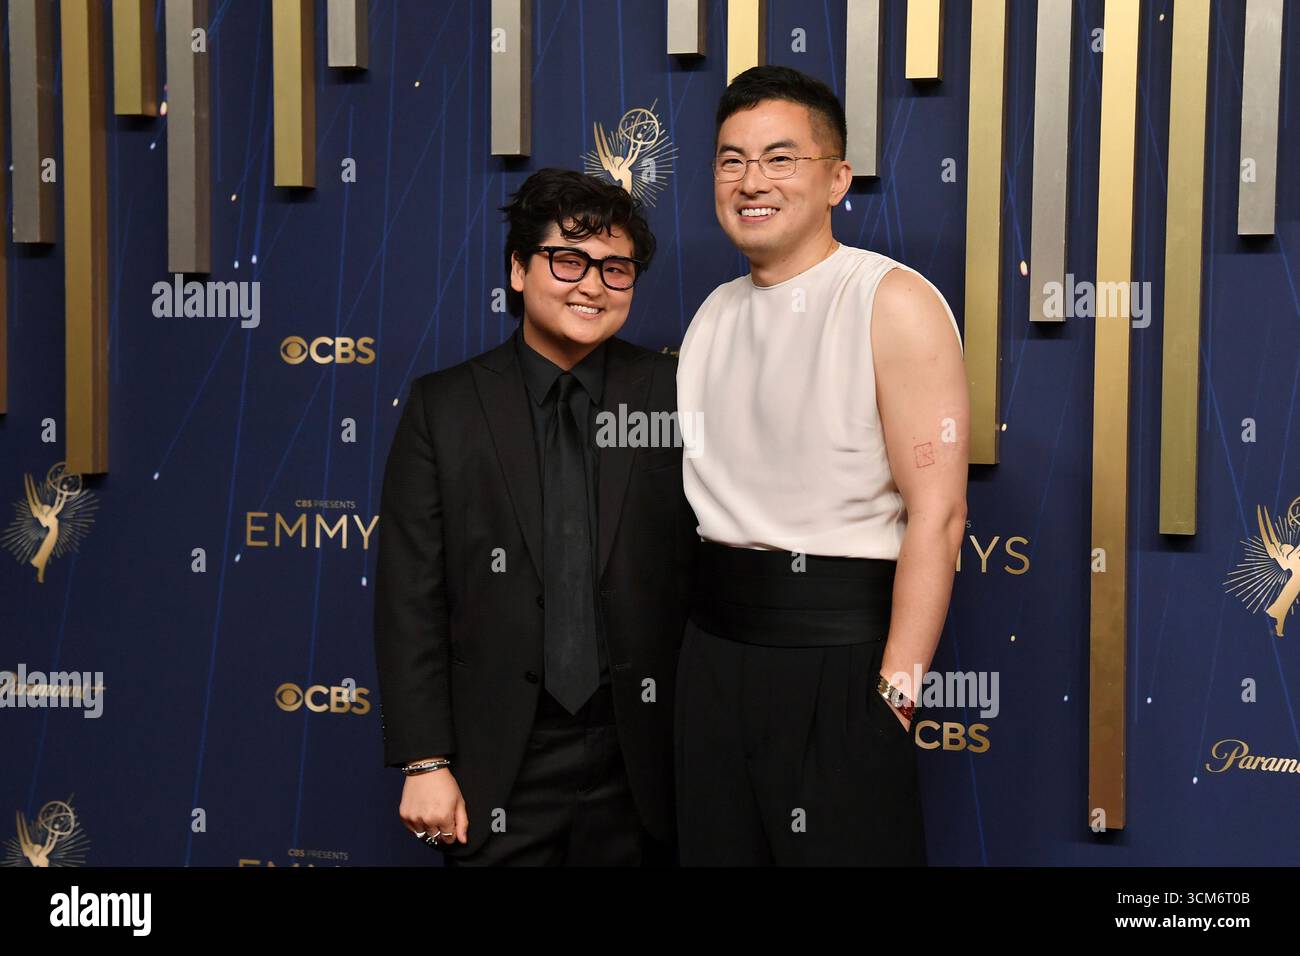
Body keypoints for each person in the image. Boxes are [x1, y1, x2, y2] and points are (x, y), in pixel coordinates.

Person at [675, 65, 969, 865]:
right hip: (712, 656)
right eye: (730, 160)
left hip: (842, 667)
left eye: (779, 158)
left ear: (837, 177)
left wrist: (892, 702)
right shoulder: (711, 313)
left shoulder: (891, 300)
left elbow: (938, 516)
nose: (751, 180)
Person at [373, 168, 695, 865]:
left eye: (617, 269)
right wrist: (423, 761)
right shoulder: (445, 408)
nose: (592, 285)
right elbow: (409, 596)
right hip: (500, 765)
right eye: (569, 260)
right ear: (519, 269)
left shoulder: (675, 394)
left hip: (644, 763)